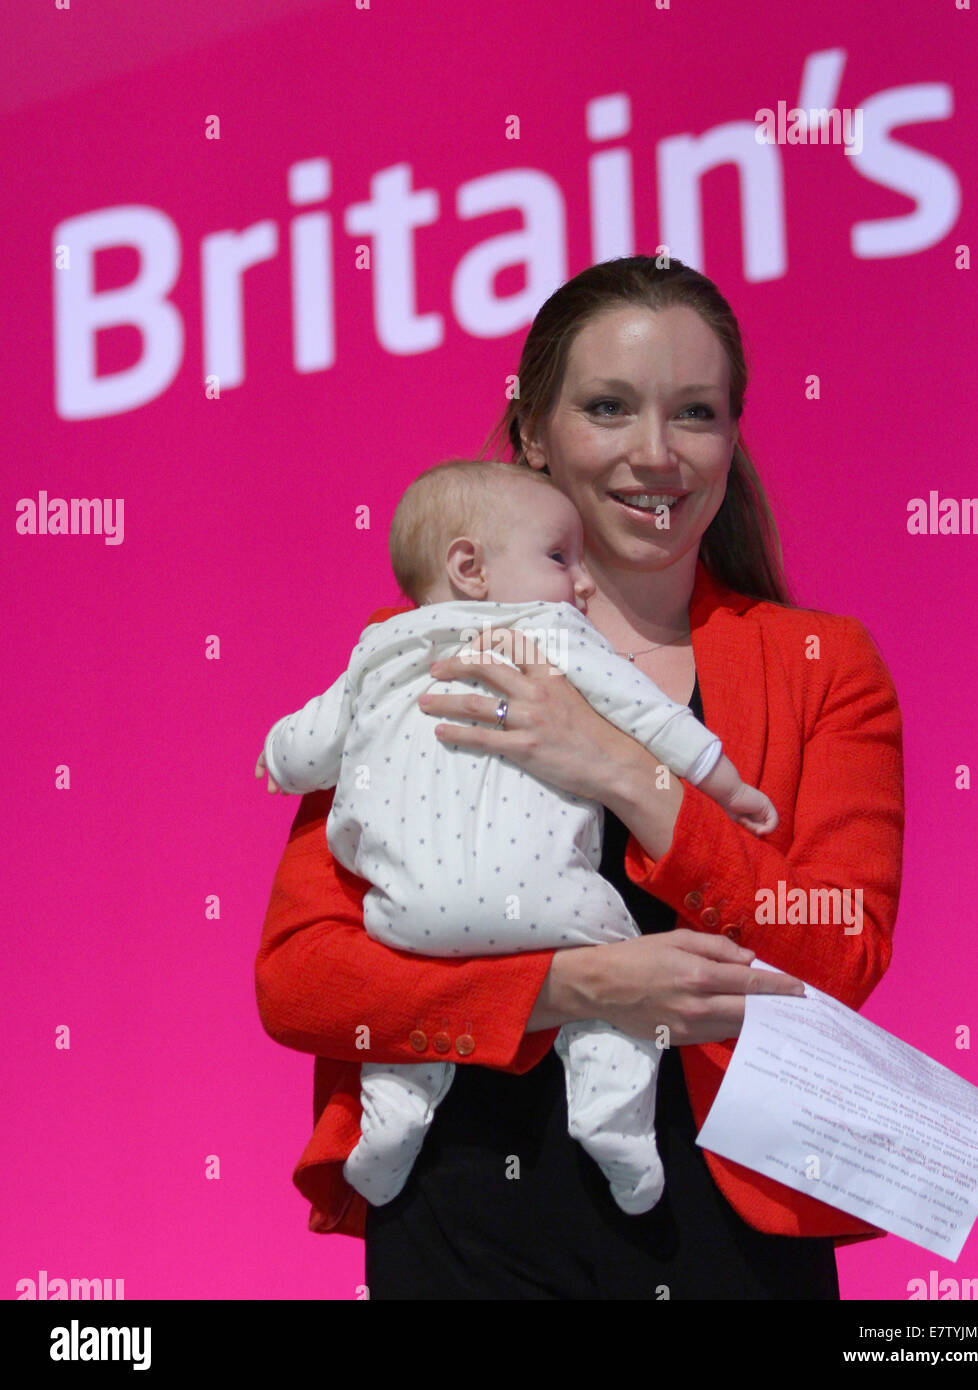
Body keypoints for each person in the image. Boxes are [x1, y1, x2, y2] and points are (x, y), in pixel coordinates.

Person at [254, 254, 904, 1300]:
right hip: (463, 1220)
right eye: (607, 407)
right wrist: (576, 987)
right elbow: (301, 979)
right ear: (531, 438)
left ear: (730, 440)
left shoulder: (818, 662)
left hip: (731, 1233)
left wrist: (622, 770)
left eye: (693, 413)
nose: (655, 454)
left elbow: (837, 949)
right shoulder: (417, 646)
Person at [257, 458, 780, 1217]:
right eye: (559, 558)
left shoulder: (384, 649)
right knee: (620, 958)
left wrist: (272, 758)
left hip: (405, 911)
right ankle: (613, 1119)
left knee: (401, 998)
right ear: (470, 567)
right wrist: (723, 784)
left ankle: (390, 1123)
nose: (583, 583)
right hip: (543, 905)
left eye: (698, 412)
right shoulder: (550, 632)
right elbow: (649, 717)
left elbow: (309, 742)